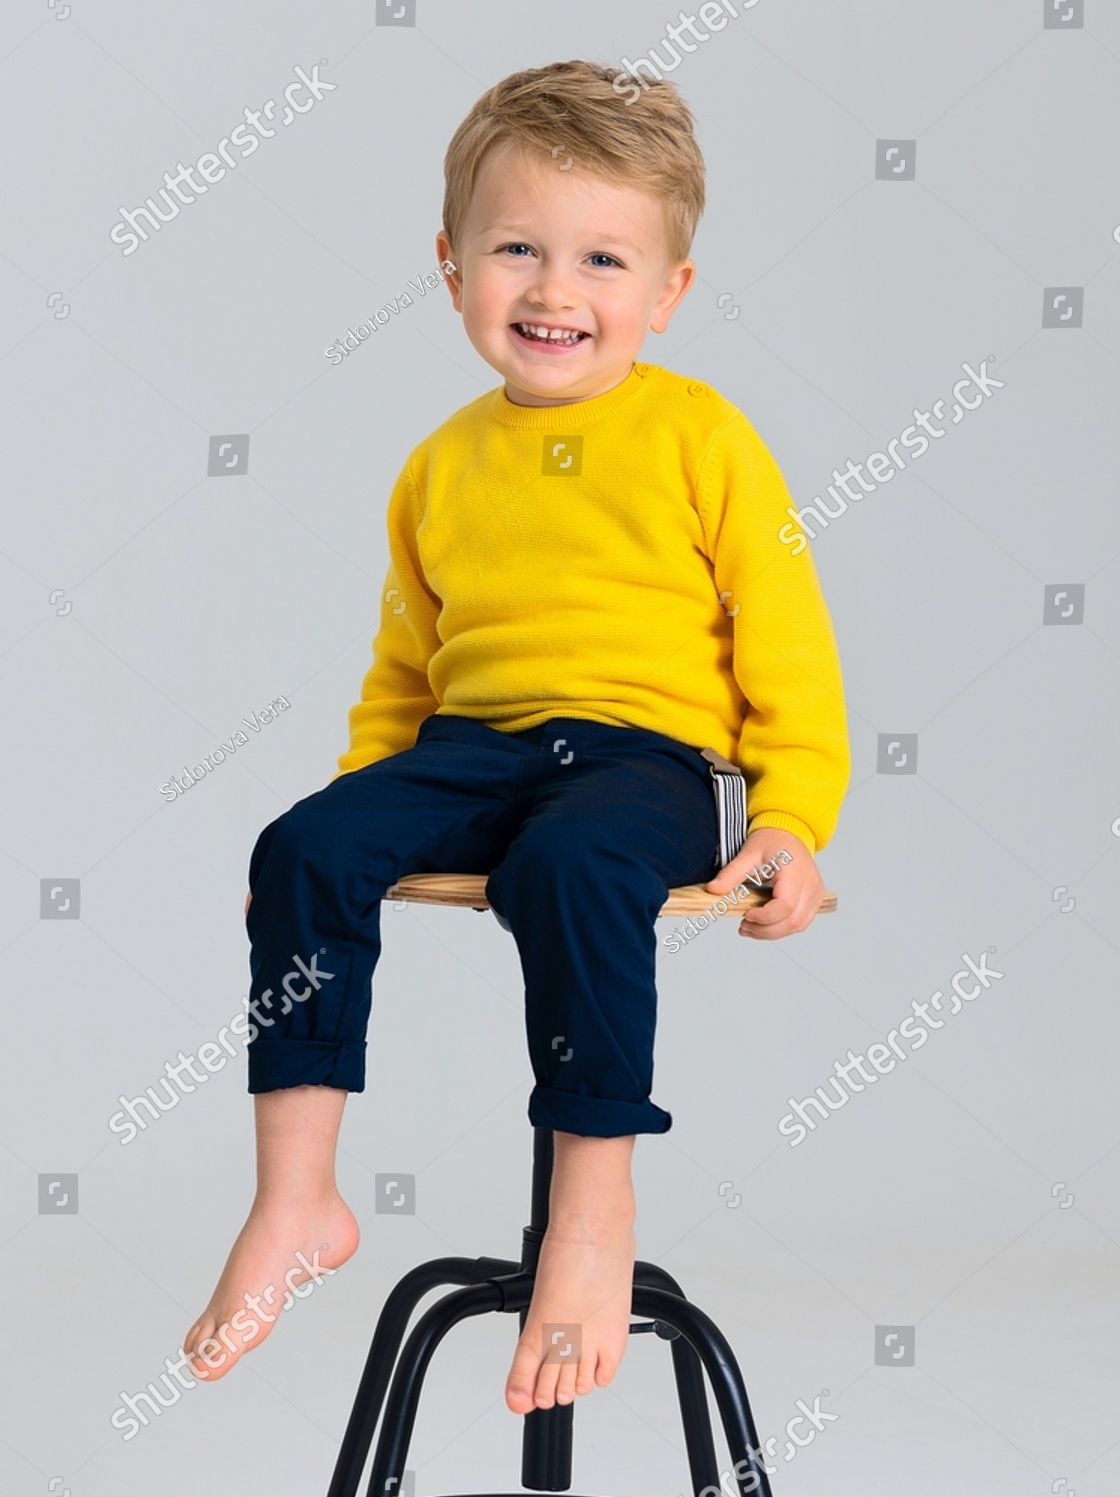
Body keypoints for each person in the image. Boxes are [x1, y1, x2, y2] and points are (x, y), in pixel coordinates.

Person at [184, 59, 849, 1417]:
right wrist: (347, 831)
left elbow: (791, 648)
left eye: (603, 258)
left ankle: (592, 1208)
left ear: (667, 291)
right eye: (515, 249)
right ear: (451, 266)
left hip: (651, 766)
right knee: (299, 848)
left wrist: (792, 818)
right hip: (475, 748)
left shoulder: (701, 437)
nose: (555, 289)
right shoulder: (440, 463)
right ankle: (297, 1200)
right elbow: (401, 676)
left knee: (571, 866)